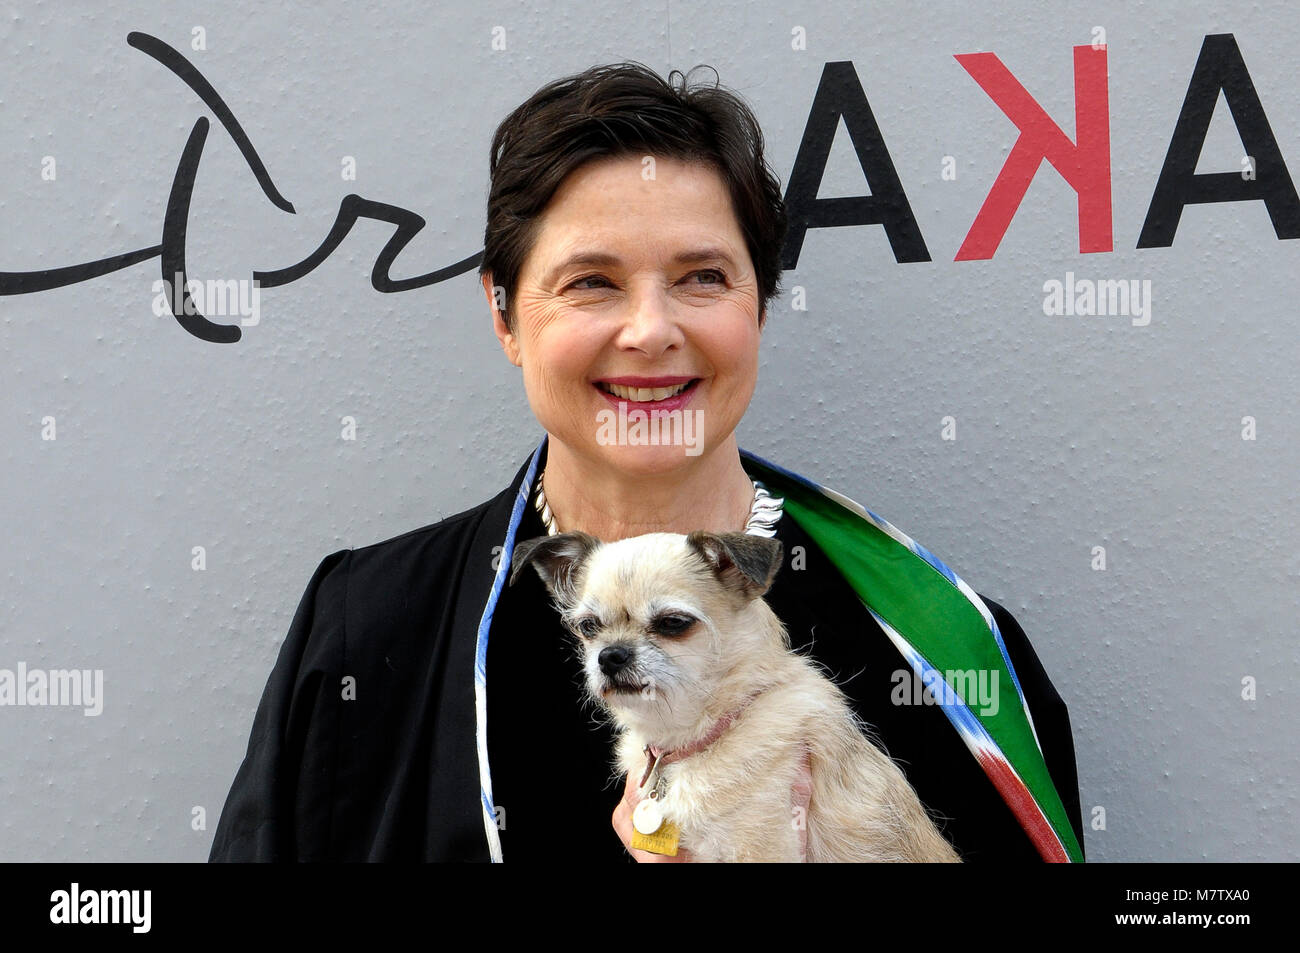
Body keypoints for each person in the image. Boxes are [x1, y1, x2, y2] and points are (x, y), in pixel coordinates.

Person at [209, 61, 1085, 863]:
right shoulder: (371, 628)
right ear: (505, 315)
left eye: (703, 277)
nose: (652, 330)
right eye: (591, 281)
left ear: (761, 306)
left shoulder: (945, 651)